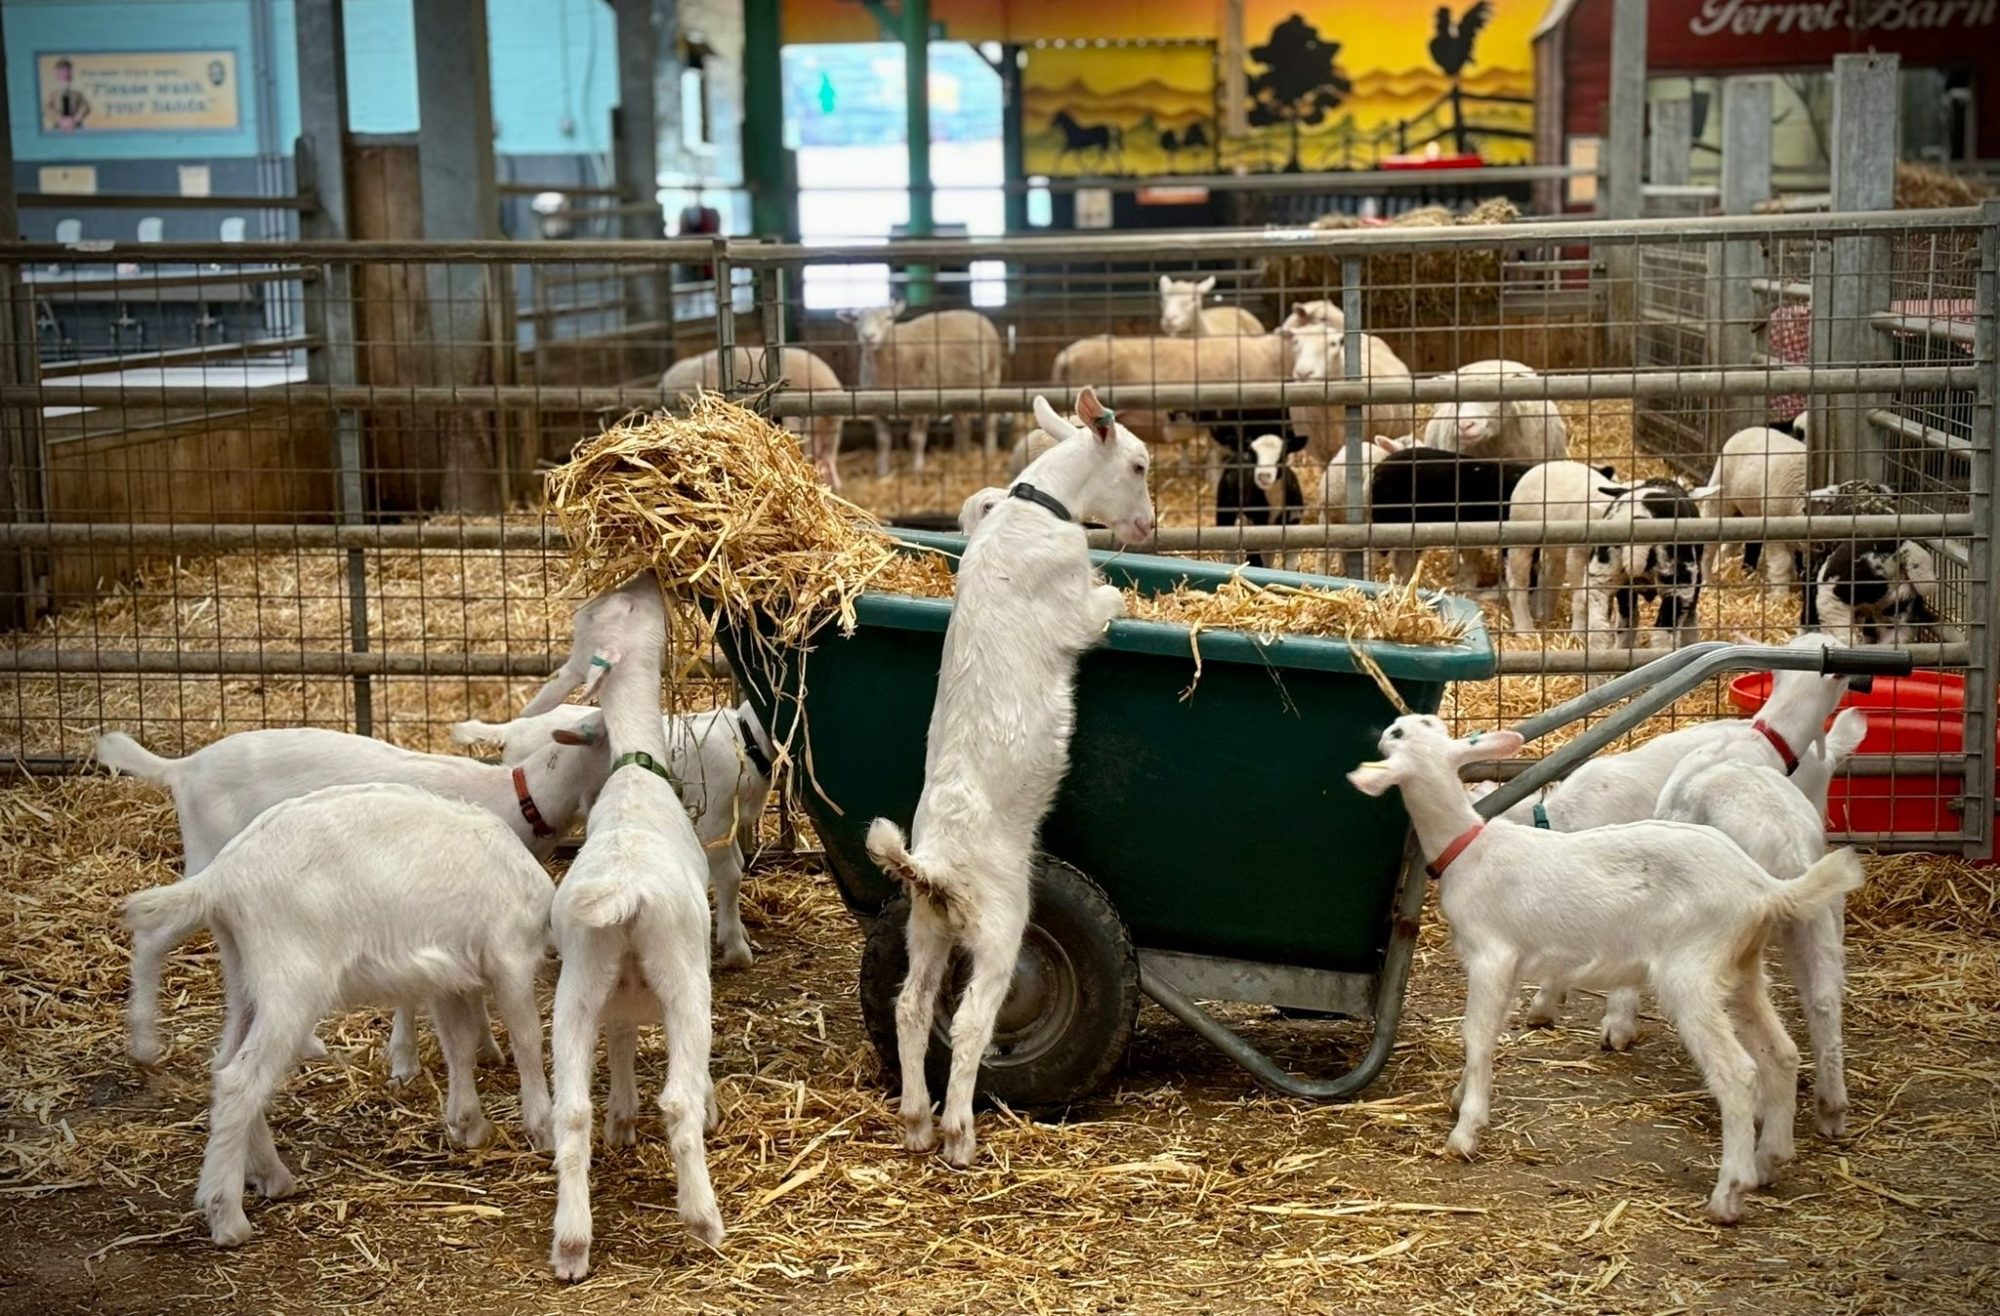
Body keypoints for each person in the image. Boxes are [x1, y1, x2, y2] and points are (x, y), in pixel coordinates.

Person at [45, 58, 91, 132]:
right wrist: (59, 120)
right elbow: (47, 109)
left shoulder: (77, 94)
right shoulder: (53, 94)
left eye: (68, 71)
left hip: (76, 126)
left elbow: (86, 107)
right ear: (57, 74)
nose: (65, 74)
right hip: (58, 127)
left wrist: (76, 119)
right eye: (61, 71)